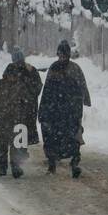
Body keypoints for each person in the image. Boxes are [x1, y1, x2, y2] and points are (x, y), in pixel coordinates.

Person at [0, 49, 42, 178]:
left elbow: (31, 95)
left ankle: (15, 166)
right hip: (7, 120)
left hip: (17, 119)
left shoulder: (24, 80)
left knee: (17, 143)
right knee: (4, 144)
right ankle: (4, 165)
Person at [39, 39, 90, 178]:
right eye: (60, 54)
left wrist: (82, 101)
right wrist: (43, 109)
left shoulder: (75, 69)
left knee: (73, 138)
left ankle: (75, 164)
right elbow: (47, 90)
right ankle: (52, 165)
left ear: (68, 55)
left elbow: (81, 88)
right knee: (51, 138)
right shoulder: (54, 68)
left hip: (70, 111)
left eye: (64, 55)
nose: (62, 57)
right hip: (55, 111)